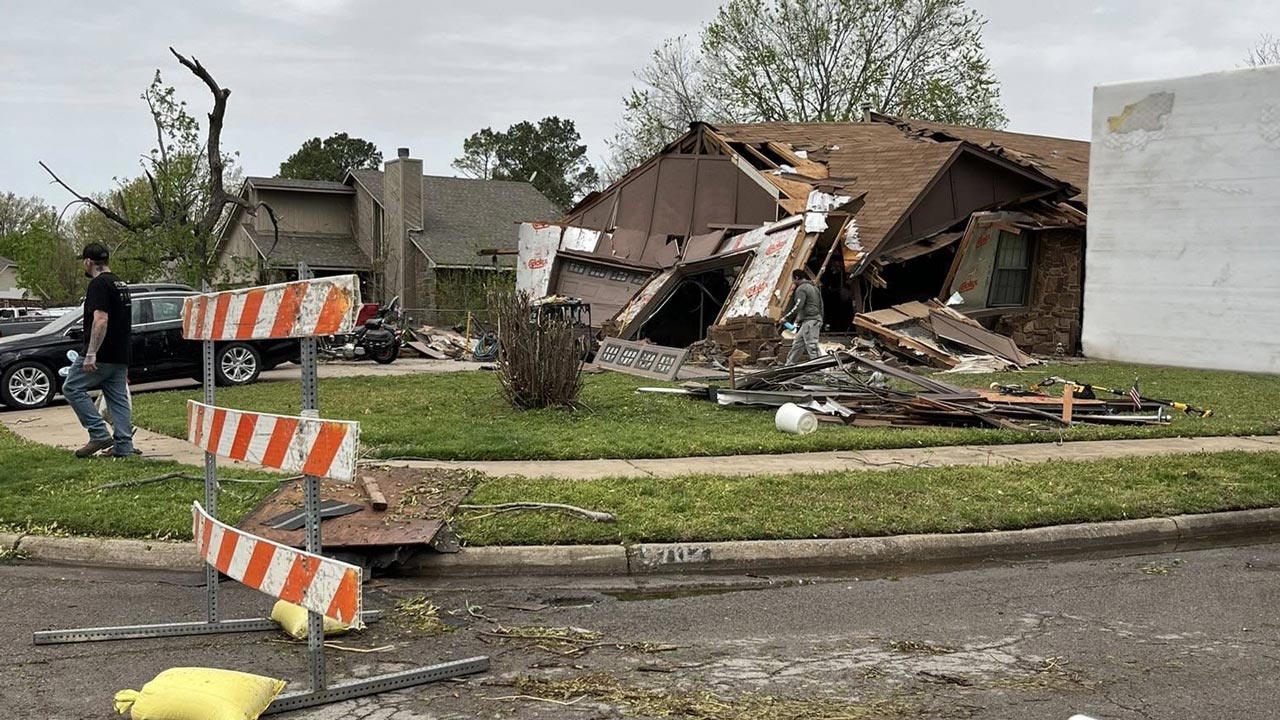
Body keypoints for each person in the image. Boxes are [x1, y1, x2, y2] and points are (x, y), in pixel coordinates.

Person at [64, 243, 135, 458]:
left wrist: (92, 352)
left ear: (88, 262)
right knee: (117, 398)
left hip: (101, 354)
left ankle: (98, 433)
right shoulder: (119, 283)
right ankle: (124, 446)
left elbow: (101, 320)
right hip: (121, 353)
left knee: (72, 388)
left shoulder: (98, 284)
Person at [781, 269, 823, 365]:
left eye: (792, 279)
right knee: (797, 344)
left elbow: (798, 305)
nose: (792, 282)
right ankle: (788, 366)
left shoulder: (801, 288)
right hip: (812, 320)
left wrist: (786, 317)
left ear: (796, 278)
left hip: (810, 321)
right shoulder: (814, 288)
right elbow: (821, 305)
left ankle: (821, 370)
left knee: (812, 346)